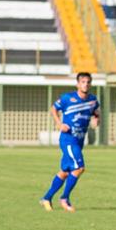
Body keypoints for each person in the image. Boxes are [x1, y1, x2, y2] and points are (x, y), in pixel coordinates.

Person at [40, 72, 100, 212]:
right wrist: (59, 123)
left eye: (88, 82)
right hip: (68, 139)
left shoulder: (92, 99)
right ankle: (64, 198)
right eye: (83, 82)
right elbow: (54, 108)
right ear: (77, 84)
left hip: (79, 140)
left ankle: (46, 198)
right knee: (79, 168)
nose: (86, 84)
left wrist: (97, 119)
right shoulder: (68, 98)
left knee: (65, 172)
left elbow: (96, 110)